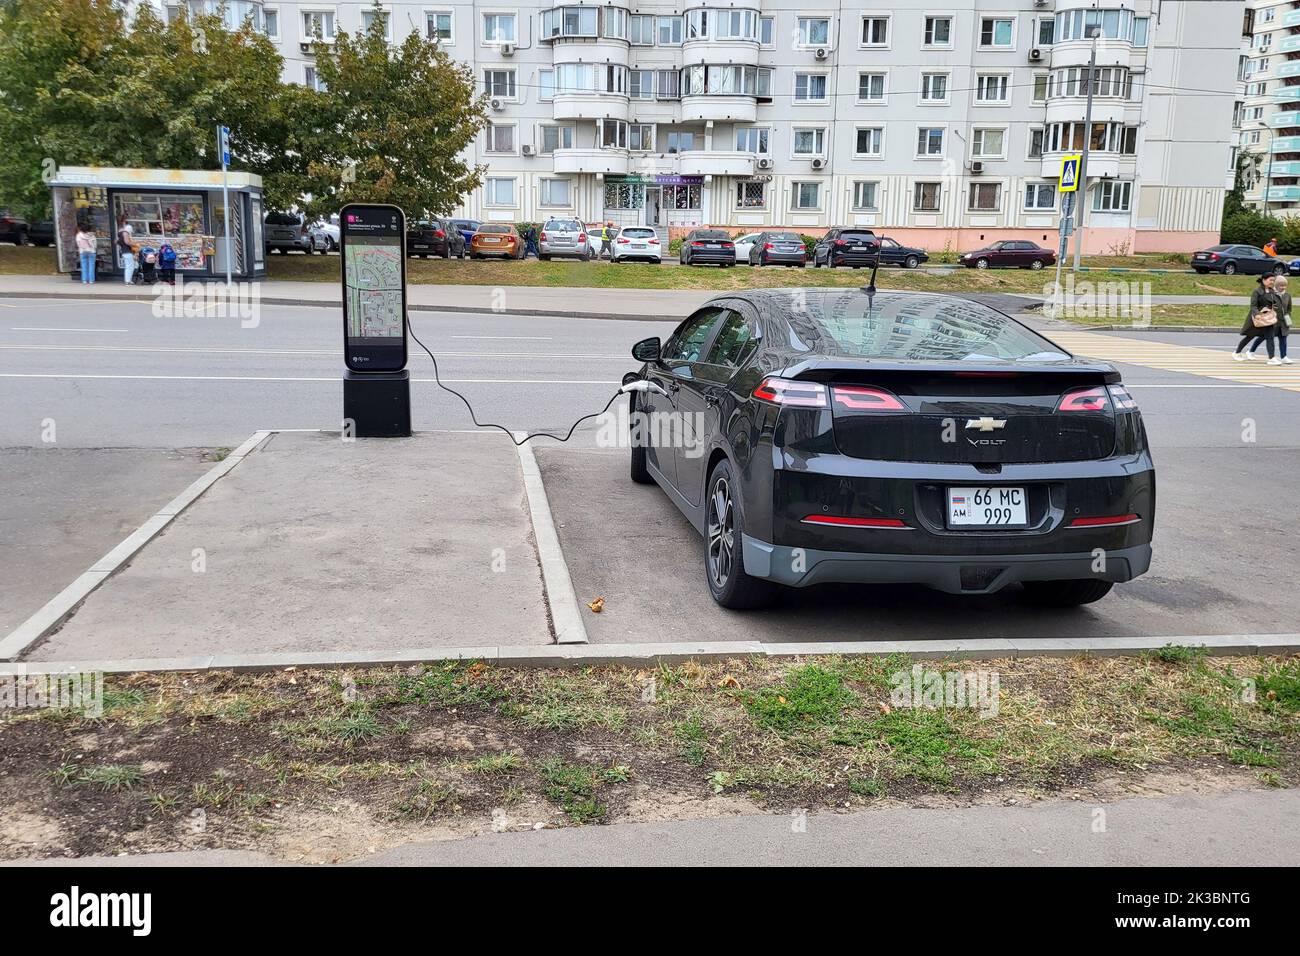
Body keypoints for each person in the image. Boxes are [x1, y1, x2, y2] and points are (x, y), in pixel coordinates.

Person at [1234, 273, 1280, 362]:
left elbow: (1274, 303)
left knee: (1270, 337)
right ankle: (1237, 352)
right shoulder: (1257, 291)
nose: (1272, 282)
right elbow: (1253, 306)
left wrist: (1275, 306)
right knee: (1250, 336)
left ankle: (1272, 358)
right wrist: (1257, 314)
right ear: (1263, 280)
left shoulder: (1272, 291)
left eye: (1273, 280)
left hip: (1267, 319)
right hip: (1257, 318)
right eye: (1270, 280)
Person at [1247, 273, 1292, 364]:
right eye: (1281, 285)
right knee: (1263, 337)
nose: (1283, 287)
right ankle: (1251, 351)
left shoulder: (1287, 295)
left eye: (1285, 286)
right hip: (1272, 321)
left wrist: (1288, 320)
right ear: (1275, 285)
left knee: (1283, 338)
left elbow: (1289, 309)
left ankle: (1284, 356)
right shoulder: (1271, 295)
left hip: (1283, 322)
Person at [117, 217, 136, 284]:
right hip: (127, 251)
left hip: (124, 252)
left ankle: (128, 280)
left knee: (129, 266)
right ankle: (128, 281)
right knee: (130, 266)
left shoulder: (121, 234)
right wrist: (134, 244)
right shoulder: (126, 233)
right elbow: (127, 242)